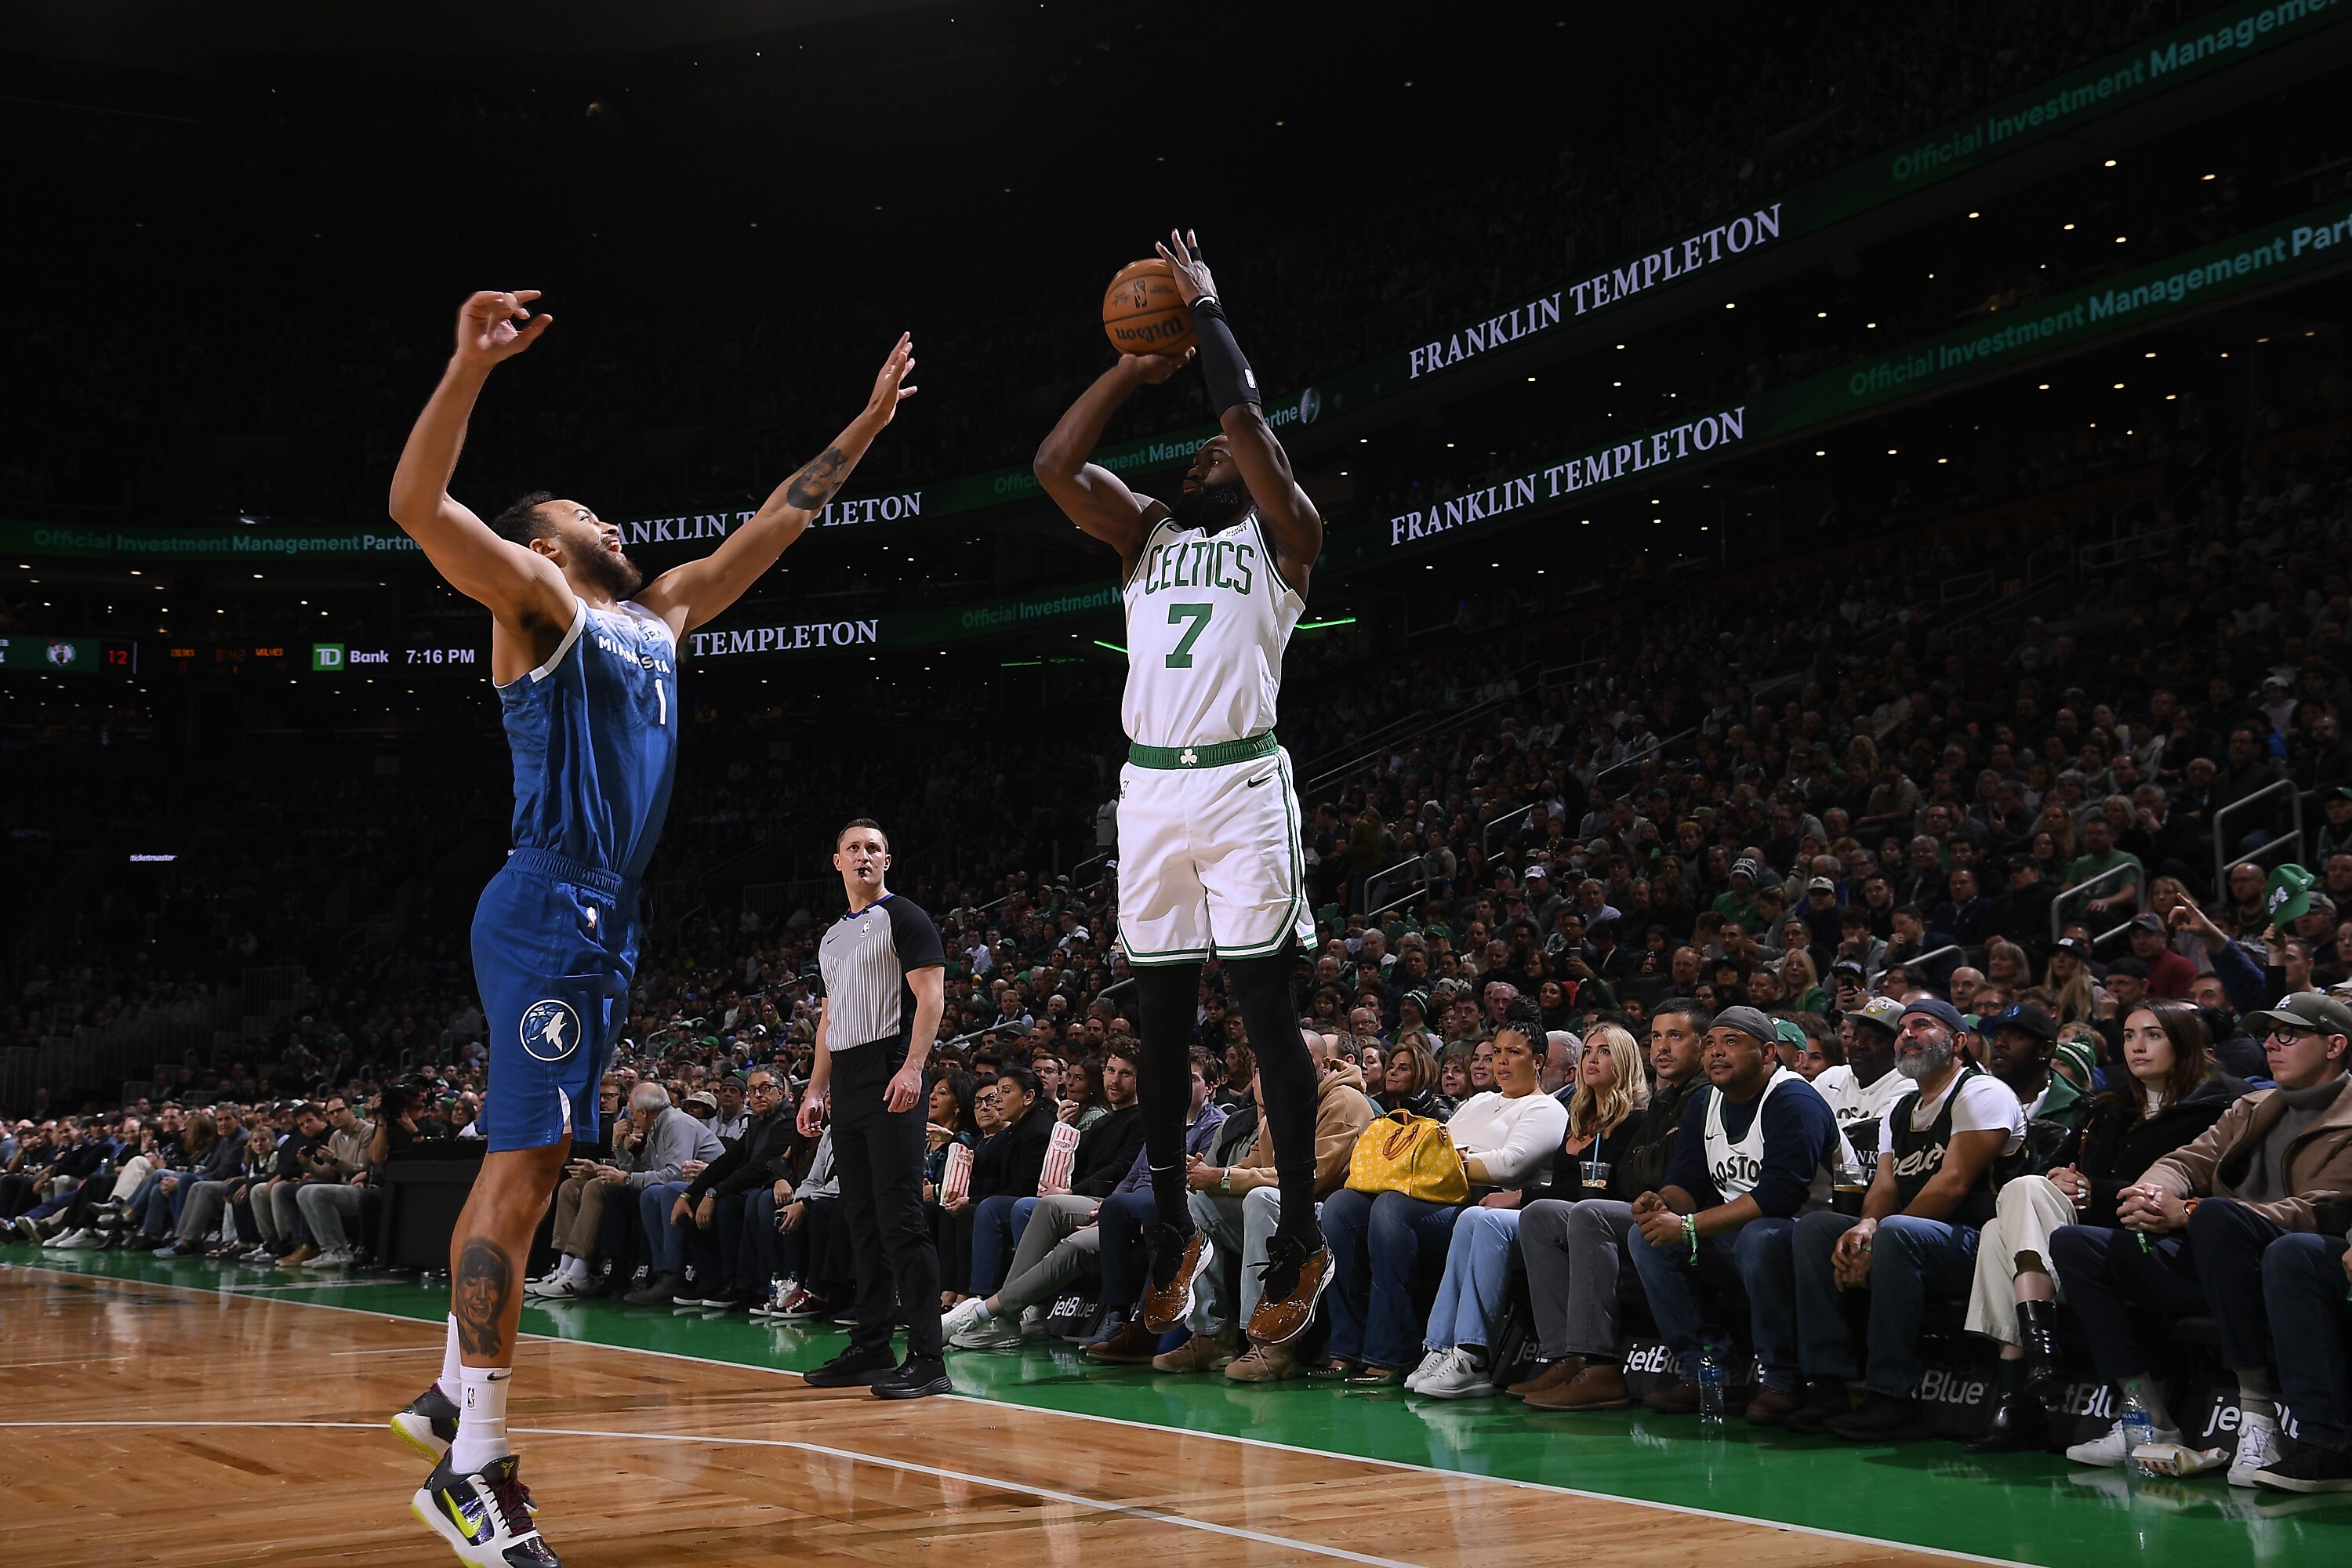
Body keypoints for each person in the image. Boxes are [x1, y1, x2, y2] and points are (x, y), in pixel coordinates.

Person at [382, 289, 913, 1568]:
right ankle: (474, 1467)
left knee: (537, 1171)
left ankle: (454, 1395)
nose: (607, 521)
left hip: (602, 927)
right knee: (520, 1180)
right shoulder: (535, 608)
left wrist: (863, 425)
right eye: (583, 516)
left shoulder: (662, 612)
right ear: (548, 550)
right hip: (548, 909)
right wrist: (466, 368)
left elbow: (776, 523)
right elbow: (416, 508)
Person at [1035, 229, 1330, 1348]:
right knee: (1156, 1022)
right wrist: (1128, 366)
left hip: (1243, 784)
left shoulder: (1287, 538)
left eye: (1221, 454)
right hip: (1151, 792)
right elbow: (1055, 468)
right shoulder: (1145, 535)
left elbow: (1249, 425)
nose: (1206, 456)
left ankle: (1299, 1228)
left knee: (1264, 1013)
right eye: (1200, 452)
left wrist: (1205, 314)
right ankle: (1169, 1227)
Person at [2049, 992, 2352, 1484]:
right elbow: (2184, 1161)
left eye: (2289, 1034)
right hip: (2217, 1258)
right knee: (2077, 1244)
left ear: (2335, 1045)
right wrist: (2152, 1194)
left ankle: (2257, 1418)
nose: (2272, 1044)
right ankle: (2142, 1418)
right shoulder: (2252, 1106)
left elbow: (2322, 1207)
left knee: (2217, 1217)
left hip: (2290, 1262)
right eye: (2269, 1033)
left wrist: (2189, 1213)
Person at [1962, 1000, 2241, 1452]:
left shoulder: (2215, 1109)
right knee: (2018, 1201)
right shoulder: (2106, 1108)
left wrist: (2096, 1190)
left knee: (2003, 1230)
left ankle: (2025, 1384)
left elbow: (2198, 1193)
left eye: (2153, 1035)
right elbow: (2053, 1170)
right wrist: (2062, 1178)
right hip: (2073, 1243)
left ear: (2185, 1043)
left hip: (2155, 1244)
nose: (2136, 1047)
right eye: (2129, 1036)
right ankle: (2038, 1360)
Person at [1783, 999, 2026, 1438]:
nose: (1907, 1034)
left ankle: (1893, 1396)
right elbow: (1885, 1188)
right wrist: (1864, 1228)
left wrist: (1879, 1238)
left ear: (1957, 1042)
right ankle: (1827, 1383)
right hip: (1914, 1237)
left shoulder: (1982, 1092)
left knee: (1897, 1230)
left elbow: (1952, 1185)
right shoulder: (1901, 1108)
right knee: (1818, 1229)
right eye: (1903, 1029)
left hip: (1985, 1242)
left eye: (1923, 1025)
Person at [1321, 999, 1566, 1386]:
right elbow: (1437, 1145)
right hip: (1431, 1197)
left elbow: (1510, 1165)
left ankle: (1391, 1351)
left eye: (1513, 1054)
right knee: (1341, 1207)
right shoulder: (1480, 1101)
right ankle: (1345, 1345)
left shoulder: (1545, 1109)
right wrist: (1452, 1158)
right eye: (1496, 1052)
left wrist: (1455, 1160)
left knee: (1390, 1208)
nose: (1500, 1062)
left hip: (1480, 1208)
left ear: (1538, 1060)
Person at [1625, 1006, 1850, 1418]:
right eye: (1710, 1043)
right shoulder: (1706, 1101)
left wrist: (1689, 1225)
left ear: (1767, 1053)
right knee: (1646, 1236)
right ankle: (1709, 1373)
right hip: (1741, 1231)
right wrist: (1663, 1204)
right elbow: (1688, 1181)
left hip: (1809, 1234)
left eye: (1731, 1043)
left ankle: (1783, 1380)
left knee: (1759, 1238)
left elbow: (1778, 1199)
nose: (1715, 1053)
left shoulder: (1794, 1099)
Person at [796, 821, 952, 1399]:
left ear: (888, 860)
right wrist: (816, 1089)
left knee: (901, 1220)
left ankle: (928, 1359)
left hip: (891, 1070)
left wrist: (912, 1068)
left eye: (874, 849)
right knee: (858, 1218)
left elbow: (931, 996)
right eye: (854, 848)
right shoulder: (833, 937)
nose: (864, 856)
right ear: (837, 861)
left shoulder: (904, 917)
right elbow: (830, 1019)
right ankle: (870, 1347)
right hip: (849, 1082)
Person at [1410, 1020, 1648, 1399]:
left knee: (1489, 1221)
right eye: (1588, 1050)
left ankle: (1473, 1354)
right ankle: (1441, 1347)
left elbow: (1555, 1181)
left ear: (1625, 1061)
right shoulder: (1579, 1118)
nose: (1593, 1059)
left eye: (1605, 1052)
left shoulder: (1634, 1122)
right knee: (1474, 1216)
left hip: (1589, 1222)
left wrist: (1521, 1197)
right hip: (1557, 1217)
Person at [1512, 1000, 1710, 1408]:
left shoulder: (1691, 1099)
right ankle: (1563, 1355)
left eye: (1675, 1036)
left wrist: (1651, 1162)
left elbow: (1641, 1177)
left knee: (1589, 1212)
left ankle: (1599, 1364)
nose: (1662, 1047)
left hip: (1671, 1213)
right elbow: (1638, 1172)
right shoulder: (1661, 1102)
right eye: (1656, 1037)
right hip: (1643, 1206)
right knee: (1538, 1214)